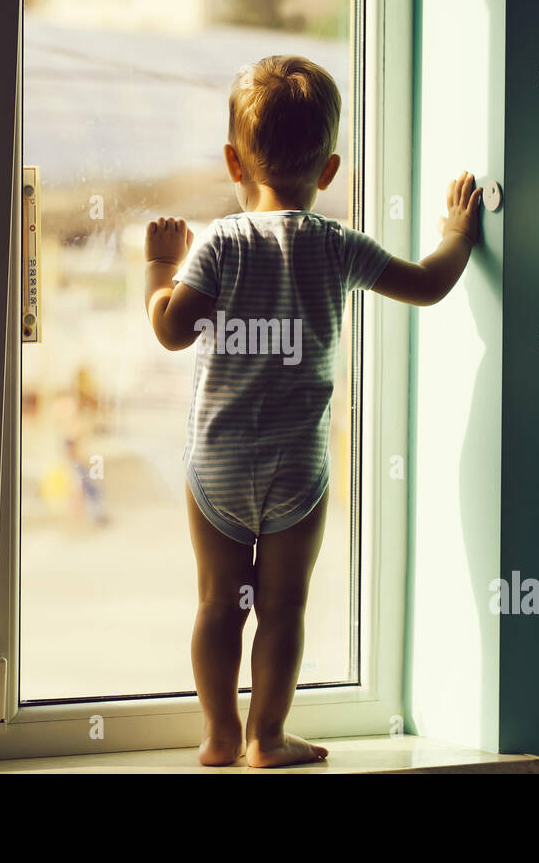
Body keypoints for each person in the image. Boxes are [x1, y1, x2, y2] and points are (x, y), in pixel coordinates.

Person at [143, 54, 482, 767]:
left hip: (220, 461)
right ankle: (267, 737)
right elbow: (426, 285)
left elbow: (172, 330)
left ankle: (218, 736)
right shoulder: (337, 247)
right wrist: (458, 235)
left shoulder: (220, 245)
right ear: (328, 172)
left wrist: (160, 268)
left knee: (217, 605)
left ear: (234, 162)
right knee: (283, 608)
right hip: (298, 467)